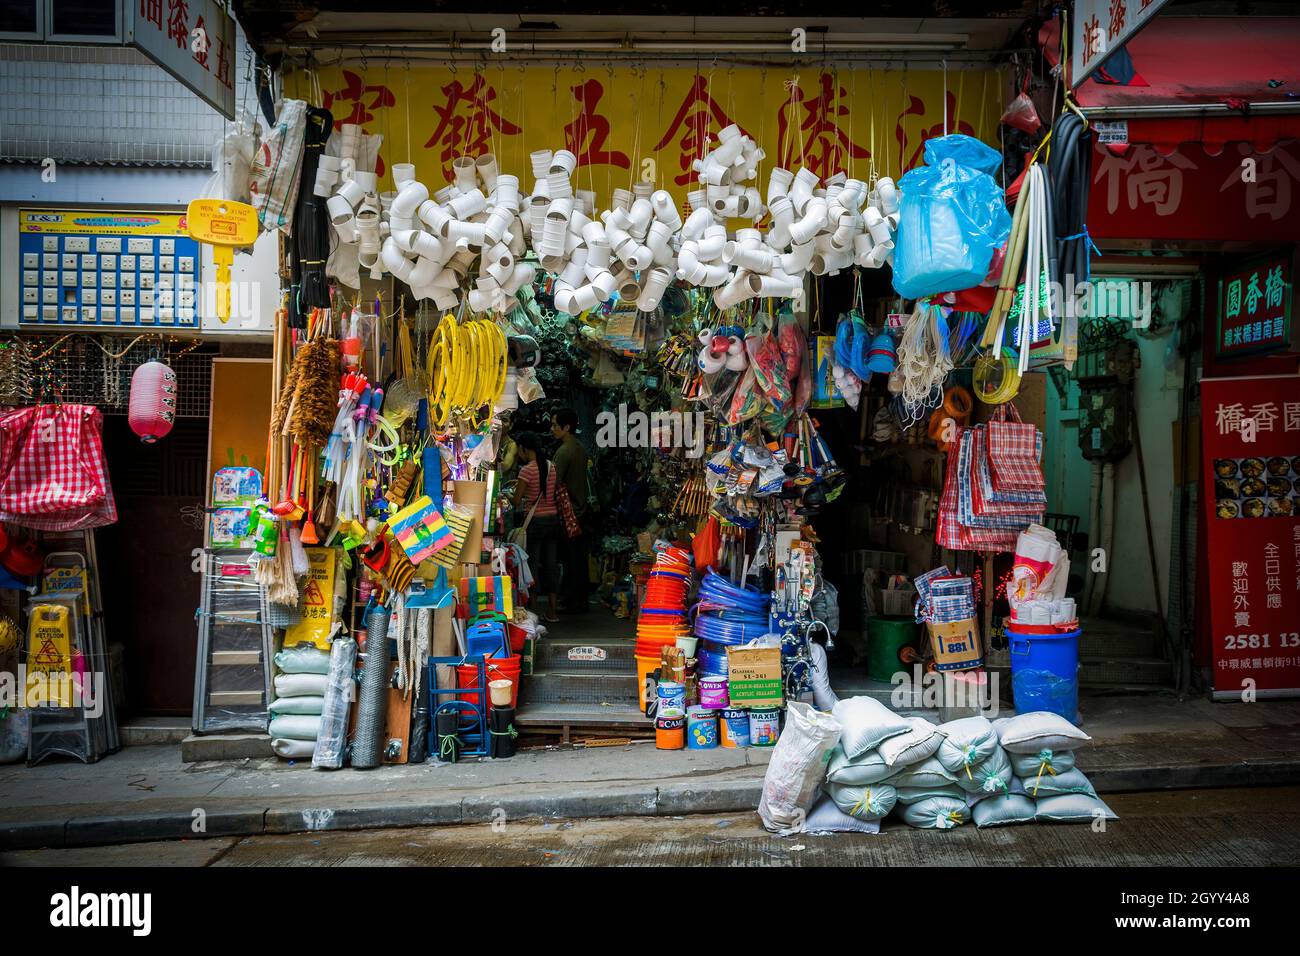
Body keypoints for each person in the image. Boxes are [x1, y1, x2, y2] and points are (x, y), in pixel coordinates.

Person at [512, 433, 560, 623]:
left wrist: (509, 496)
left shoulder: (526, 471)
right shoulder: (551, 466)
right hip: (552, 520)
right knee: (551, 565)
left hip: (535, 523)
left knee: (532, 566)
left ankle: (533, 610)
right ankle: (553, 610)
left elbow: (517, 501)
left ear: (524, 449)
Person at [551, 408, 591, 614]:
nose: (552, 429)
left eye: (555, 425)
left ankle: (571, 598)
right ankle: (579, 597)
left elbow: (554, 482)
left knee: (569, 557)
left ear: (566, 427)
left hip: (569, 512)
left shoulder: (564, 451)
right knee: (578, 556)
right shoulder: (580, 448)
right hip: (580, 508)